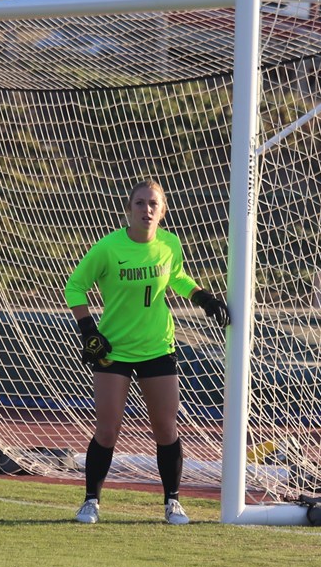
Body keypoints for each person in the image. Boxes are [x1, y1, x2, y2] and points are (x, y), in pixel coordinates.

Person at [64, 179, 231, 526]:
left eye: (153, 203)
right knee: (107, 430)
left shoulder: (170, 243)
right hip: (114, 350)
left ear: (163, 210)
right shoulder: (108, 248)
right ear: (129, 209)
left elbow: (176, 277)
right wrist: (89, 331)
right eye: (140, 203)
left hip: (157, 346)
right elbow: (75, 286)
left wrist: (202, 297)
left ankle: (173, 502)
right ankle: (91, 501)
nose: (146, 209)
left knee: (165, 428)